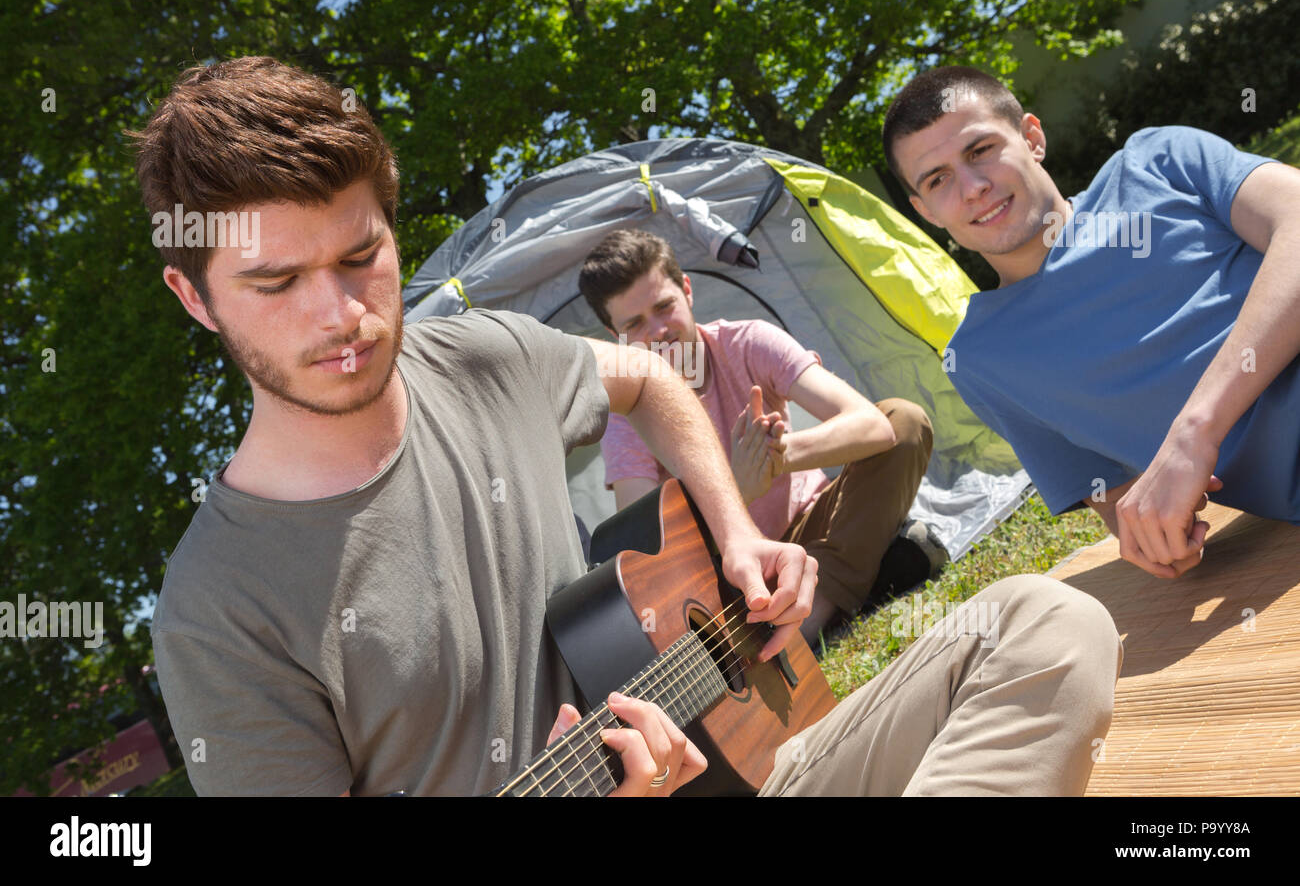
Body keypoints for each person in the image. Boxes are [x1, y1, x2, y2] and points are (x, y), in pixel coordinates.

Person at [138, 56, 1122, 797]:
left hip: (750, 763)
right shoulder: (219, 610)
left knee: (1042, 625)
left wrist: (737, 537)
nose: (338, 313)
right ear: (194, 295)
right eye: (274, 282)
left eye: (361, 257)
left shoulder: (483, 357)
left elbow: (650, 380)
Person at [882, 65, 1300, 580]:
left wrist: (1196, 430)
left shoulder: (1157, 162)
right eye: (938, 179)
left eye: (980, 150)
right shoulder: (979, 361)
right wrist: (1157, 540)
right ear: (924, 210)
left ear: (1031, 138)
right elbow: (1118, 505)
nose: (973, 187)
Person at [579, 231, 946, 645]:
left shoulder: (748, 340)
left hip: (816, 526)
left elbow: (874, 426)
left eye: (664, 306)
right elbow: (645, 550)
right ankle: (873, 571)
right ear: (616, 336)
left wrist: (778, 455)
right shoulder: (626, 414)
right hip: (736, 569)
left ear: (687, 289)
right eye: (635, 324)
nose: (659, 330)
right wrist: (734, 491)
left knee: (906, 420)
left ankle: (811, 619)